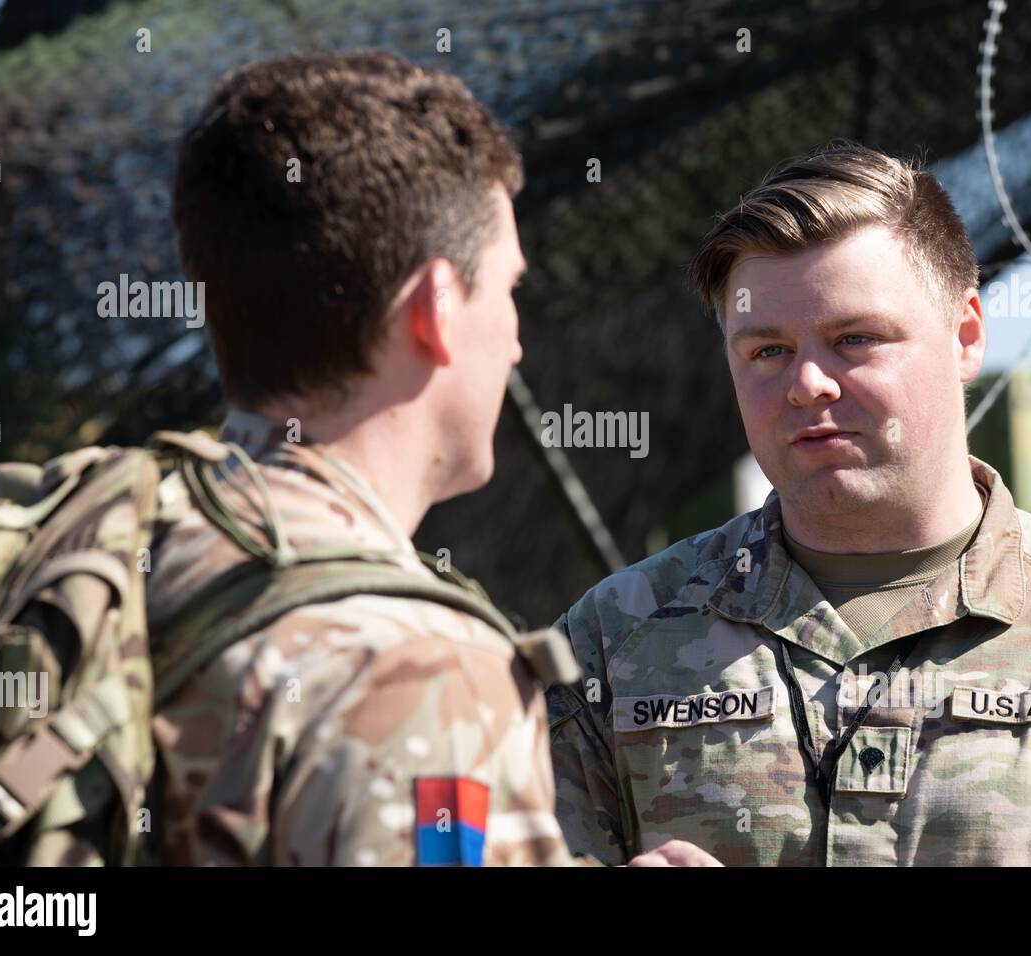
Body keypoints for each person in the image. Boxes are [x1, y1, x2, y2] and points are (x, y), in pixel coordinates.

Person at [547, 143, 1031, 865]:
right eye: (767, 351)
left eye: (856, 339)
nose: (808, 384)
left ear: (967, 335)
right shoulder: (612, 641)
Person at [151, 49, 720, 867]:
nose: (517, 340)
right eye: (509, 289)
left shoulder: (96, 553)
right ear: (437, 310)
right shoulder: (423, 669)